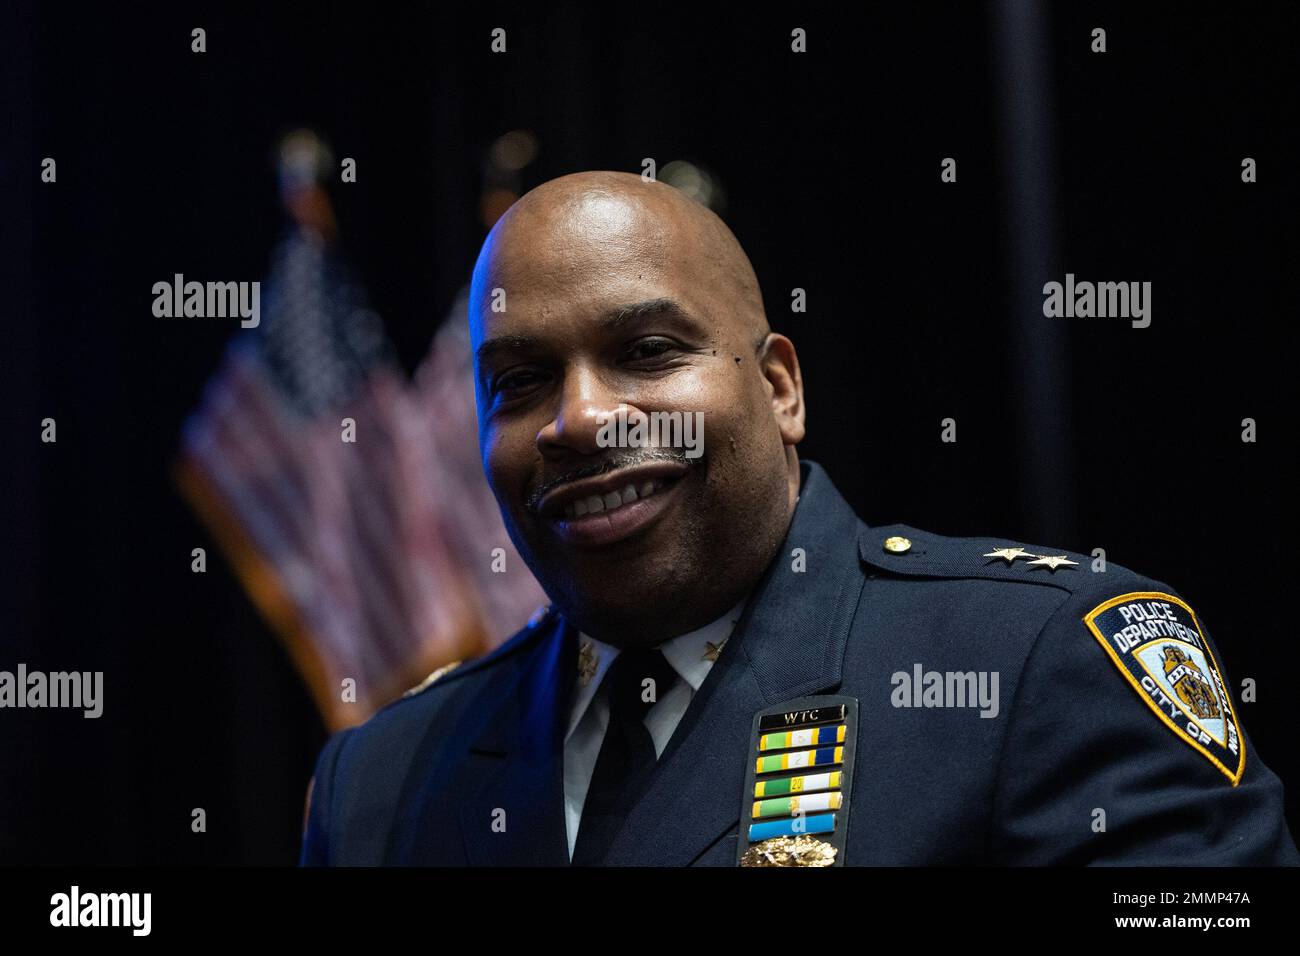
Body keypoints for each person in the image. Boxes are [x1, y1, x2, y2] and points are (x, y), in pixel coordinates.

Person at [300, 171, 1299, 866]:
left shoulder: (1043, 663)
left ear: (779, 387)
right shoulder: (382, 780)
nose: (581, 418)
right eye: (518, 381)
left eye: (647, 349)